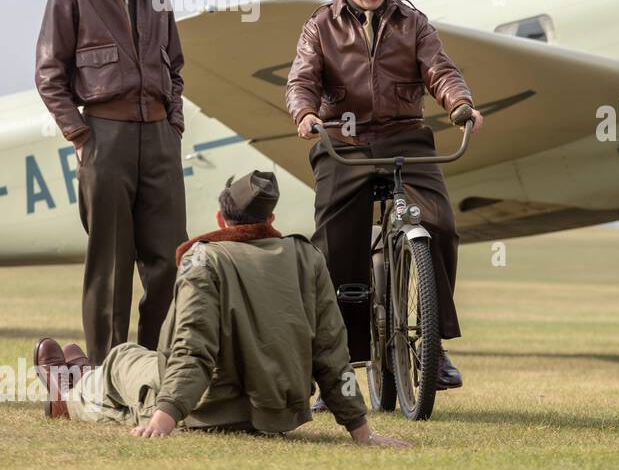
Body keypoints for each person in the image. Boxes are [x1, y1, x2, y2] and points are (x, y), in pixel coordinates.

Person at [33, 170, 409, 447]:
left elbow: (192, 348)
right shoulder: (306, 257)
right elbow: (331, 350)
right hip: (279, 411)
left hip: (211, 407)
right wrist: (361, 429)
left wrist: (166, 416)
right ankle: (82, 378)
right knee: (130, 365)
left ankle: (68, 396)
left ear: (220, 220)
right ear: (270, 221)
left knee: (122, 360)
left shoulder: (204, 260)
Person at [285, 0, 482, 392]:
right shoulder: (320, 26)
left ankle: (434, 348)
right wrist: (306, 112)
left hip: (404, 139)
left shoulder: (412, 21)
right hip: (344, 142)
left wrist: (460, 103)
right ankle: (333, 366)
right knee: (334, 246)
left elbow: (440, 69)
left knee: (440, 225)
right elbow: (302, 79)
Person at [34, 0, 188, 364]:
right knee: (112, 264)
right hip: (105, 136)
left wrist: (174, 124)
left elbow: (175, 67)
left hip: (159, 137)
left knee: (169, 261)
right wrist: (81, 137)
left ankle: (149, 366)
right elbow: (49, 75)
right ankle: (105, 373)